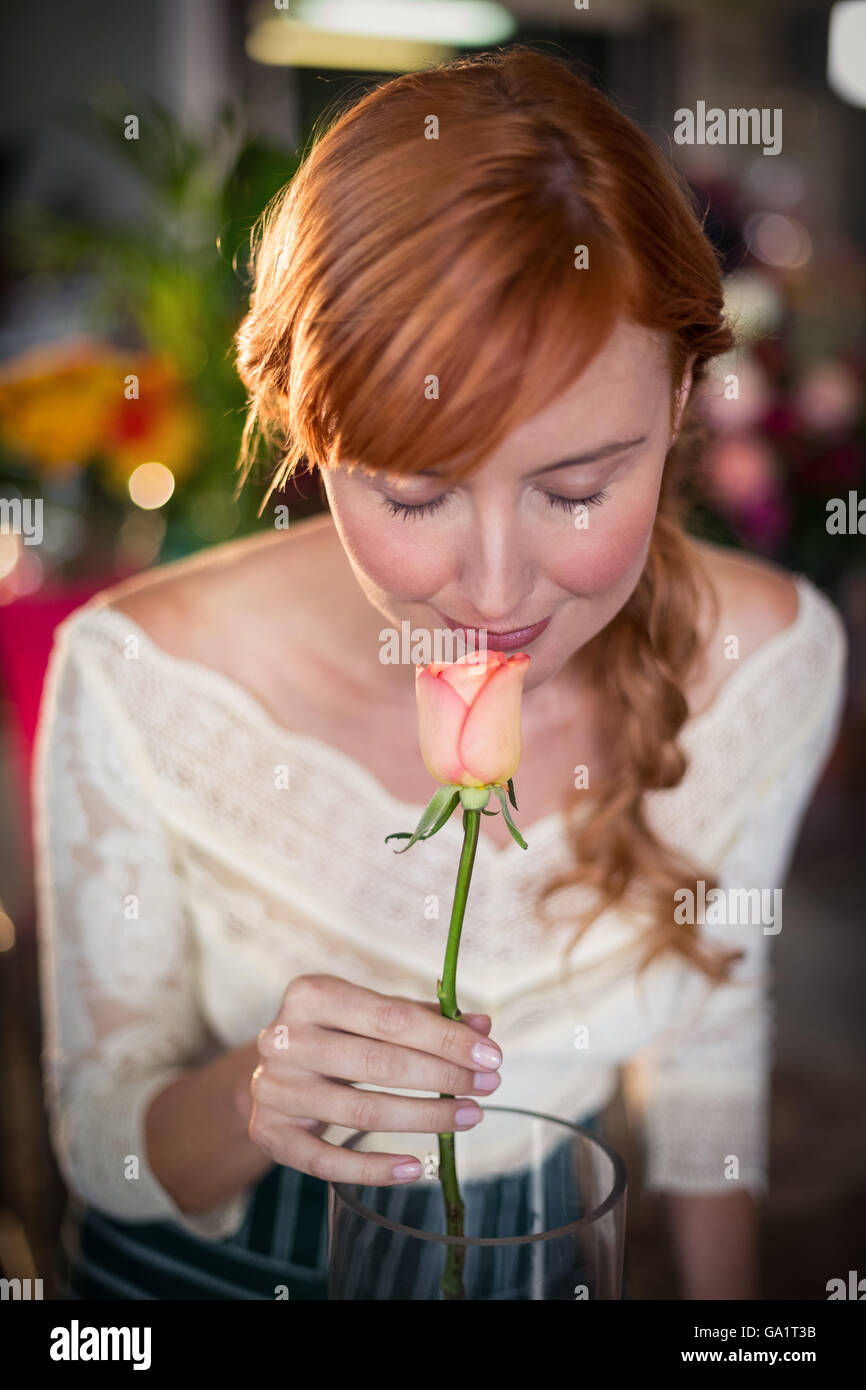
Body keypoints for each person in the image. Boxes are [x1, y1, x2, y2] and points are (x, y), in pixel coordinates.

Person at [33, 46, 847, 1301]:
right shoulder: (141, 675)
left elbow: (706, 1040)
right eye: (413, 497)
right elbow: (95, 1147)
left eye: (575, 489)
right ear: (311, 434)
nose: (495, 589)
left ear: (683, 396)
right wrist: (252, 1093)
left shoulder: (773, 665)